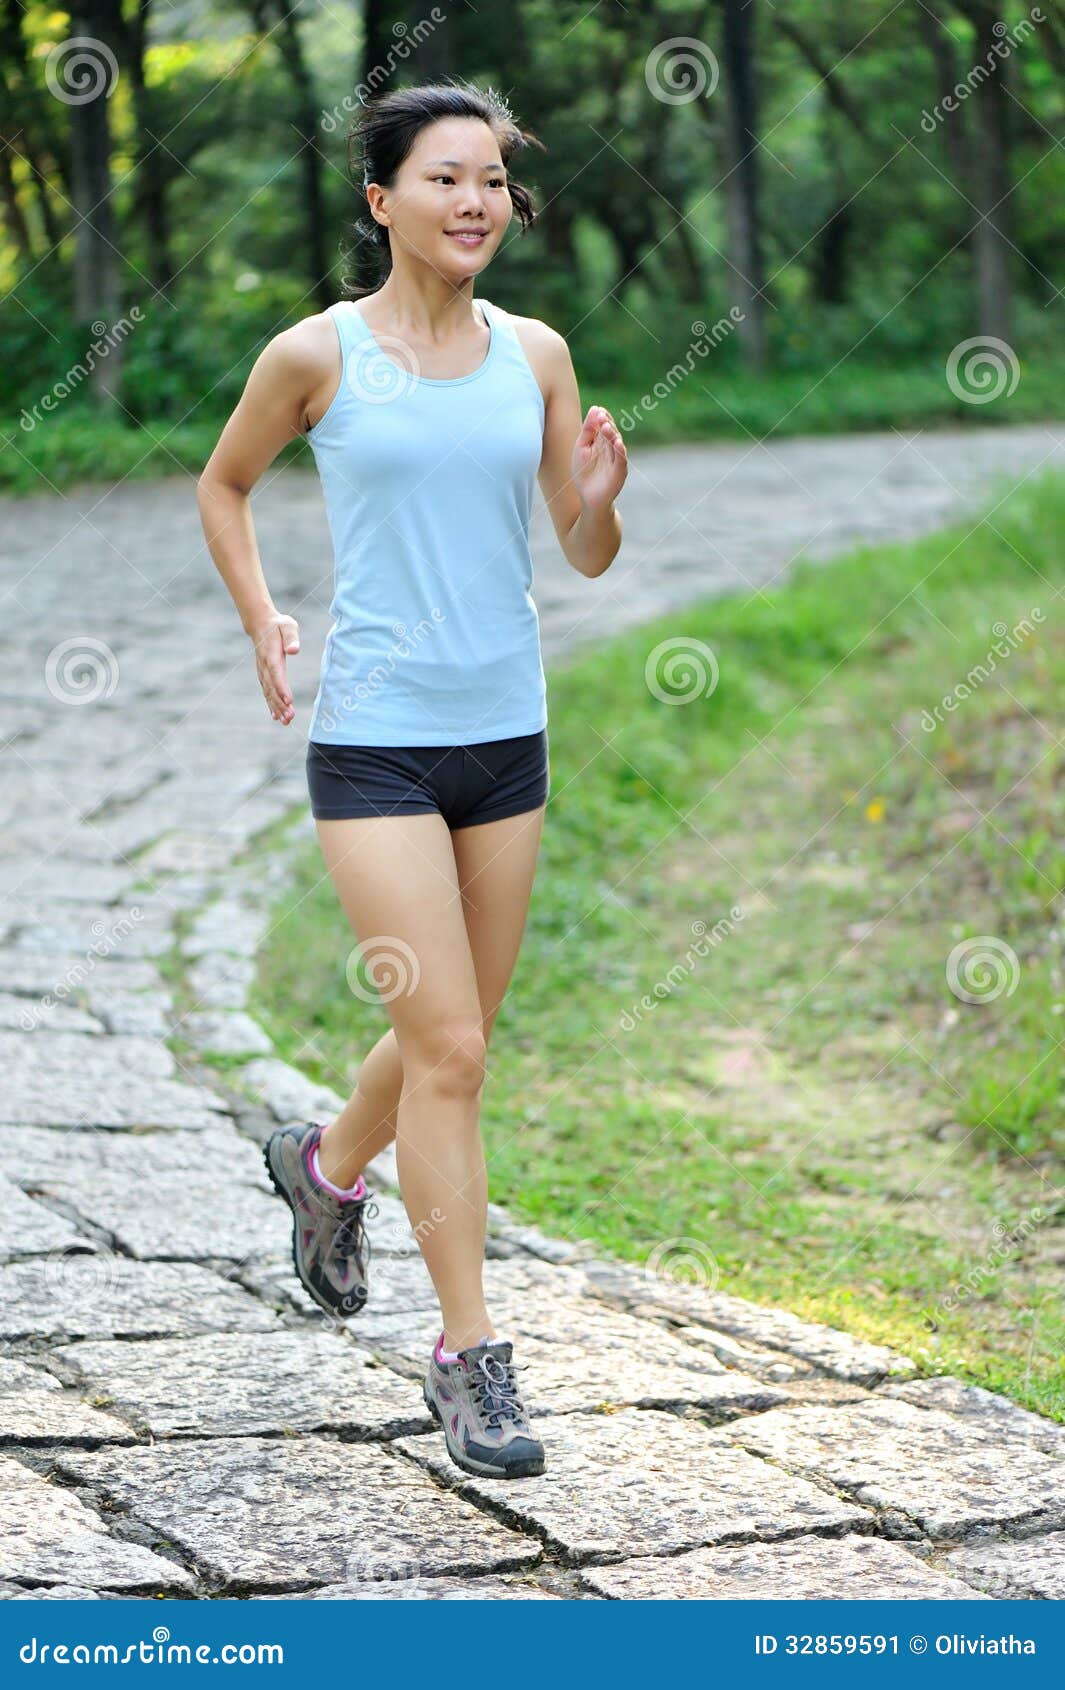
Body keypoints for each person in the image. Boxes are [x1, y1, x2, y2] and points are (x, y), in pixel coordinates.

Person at [196, 79, 627, 1479]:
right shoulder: (314, 353)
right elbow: (222, 483)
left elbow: (582, 550)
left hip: (507, 740)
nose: (475, 202)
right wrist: (261, 611)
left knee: (456, 1035)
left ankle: (323, 1169)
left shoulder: (537, 356)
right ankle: (466, 1357)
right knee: (449, 1050)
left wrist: (600, 501)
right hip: (375, 741)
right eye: (446, 178)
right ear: (383, 201)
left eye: (492, 180)